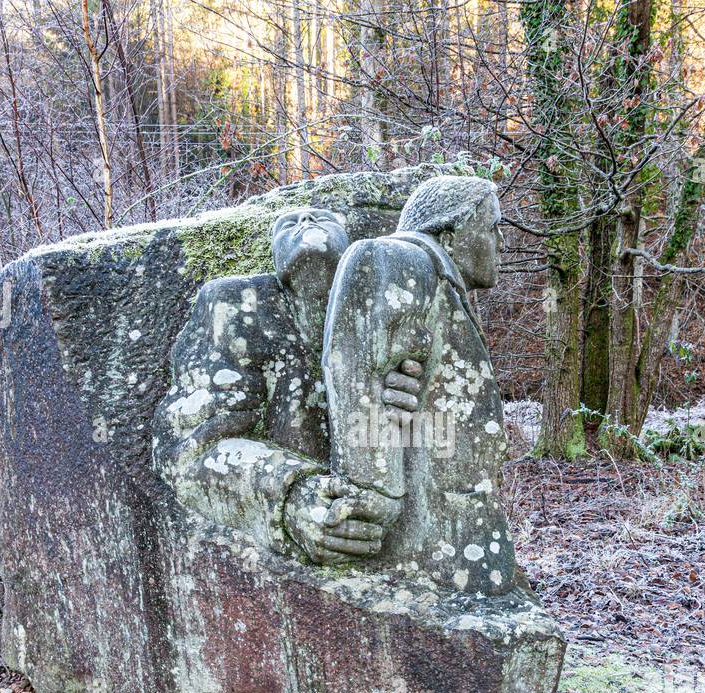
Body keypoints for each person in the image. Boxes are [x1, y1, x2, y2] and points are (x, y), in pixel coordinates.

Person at [151, 208, 419, 563]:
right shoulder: (235, 307)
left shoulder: (397, 303)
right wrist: (290, 498)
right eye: (287, 225)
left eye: (322, 218)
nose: (306, 223)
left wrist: (421, 405)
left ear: (352, 245)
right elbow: (187, 447)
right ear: (275, 259)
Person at [320, 175, 518, 594]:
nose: (502, 241)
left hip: (456, 535)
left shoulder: (440, 282)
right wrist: (374, 493)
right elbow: (357, 371)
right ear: (449, 235)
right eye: (492, 226)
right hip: (425, 545)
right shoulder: (397, 258)